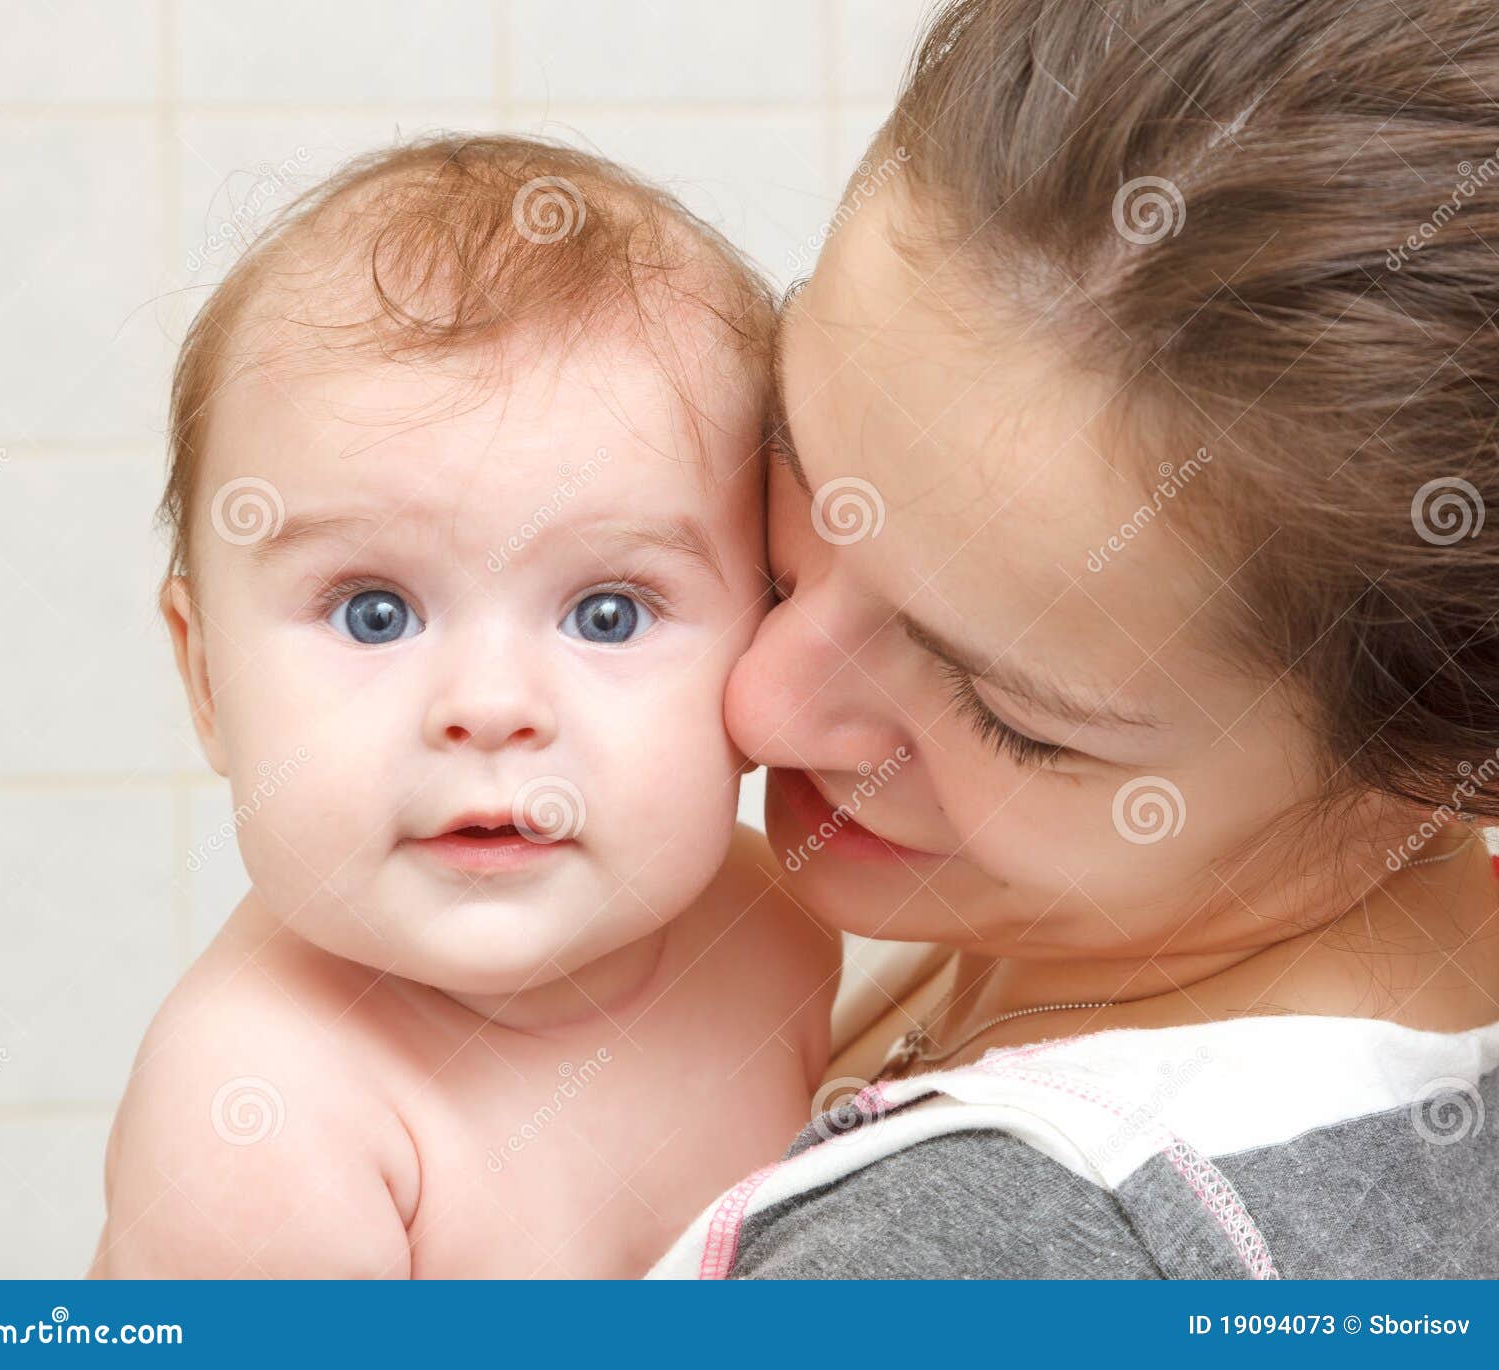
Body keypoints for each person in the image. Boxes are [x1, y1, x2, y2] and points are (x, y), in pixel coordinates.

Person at [654, 0, 1499, 1279]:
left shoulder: (949, 1265)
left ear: (1434, 759)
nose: (760, 705)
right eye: (798, 460)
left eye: (1008, 716)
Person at [91, 135, 837, 1279]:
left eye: (608, 613)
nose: (488, 709)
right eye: (374, 613)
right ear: (204, 678)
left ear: (762, 634)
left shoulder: (774, 924)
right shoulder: (260, 1114)